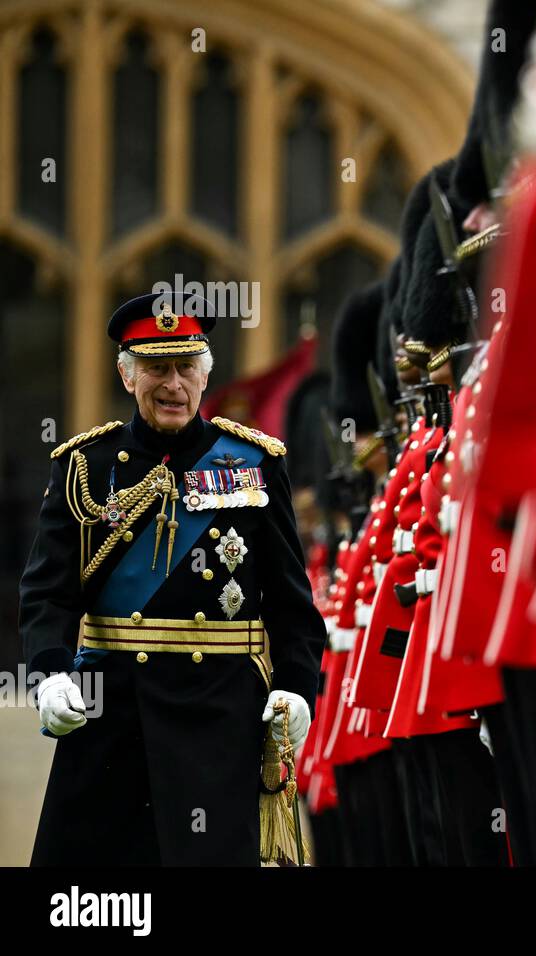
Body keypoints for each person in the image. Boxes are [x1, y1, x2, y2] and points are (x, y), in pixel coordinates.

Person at [20, 291, 326, 865]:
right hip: (109, 716)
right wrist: (50, 672)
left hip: (218, 718)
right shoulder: (86, 466)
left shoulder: (253, 462)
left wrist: (294, 684)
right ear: (127, 375)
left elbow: (291, 601)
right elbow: (46, 592)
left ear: (205, 376)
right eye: (156, 369)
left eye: (186, 368)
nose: (173, 385)